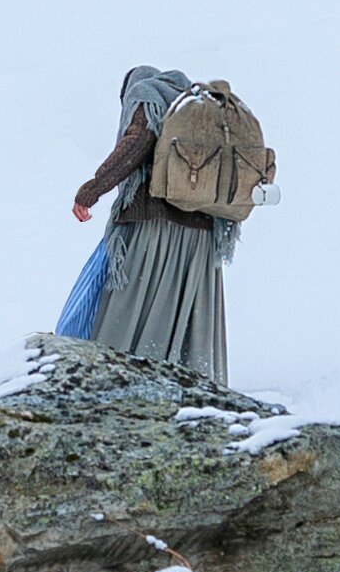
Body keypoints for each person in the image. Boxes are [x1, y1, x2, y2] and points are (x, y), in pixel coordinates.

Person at [71, 67, 240, 384]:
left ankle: (112, 381)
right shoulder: (197, 105)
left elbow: (135, 144)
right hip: (203, 233)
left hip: (155, 227)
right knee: (185, 314)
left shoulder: (147, 94)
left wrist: (91, 190)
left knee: (131, 304)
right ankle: (195, 385)